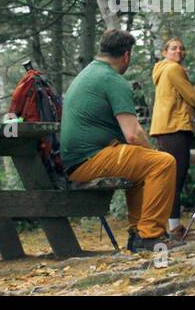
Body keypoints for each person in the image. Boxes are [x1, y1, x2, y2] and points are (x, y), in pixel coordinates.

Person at [60, 29, 179, 252]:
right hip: (89, 159)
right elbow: (133, 134)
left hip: (77, 160)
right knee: (163, 163)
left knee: (143, 168)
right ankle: (152, 235)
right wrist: (153, 153)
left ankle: (137, 235)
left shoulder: (88, 73)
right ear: (126, 55)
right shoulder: (113, 80)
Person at [150, 37, 195, 239]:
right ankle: (173, 229)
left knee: (172, 178)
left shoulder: (163, 70)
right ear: (164, 52)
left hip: (167, 128)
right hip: (174, 128)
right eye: (173, 48)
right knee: (175, 178)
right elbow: (192, 96)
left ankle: (171, 226)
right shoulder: (172, 69)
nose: (179, 51)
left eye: (181, 48)